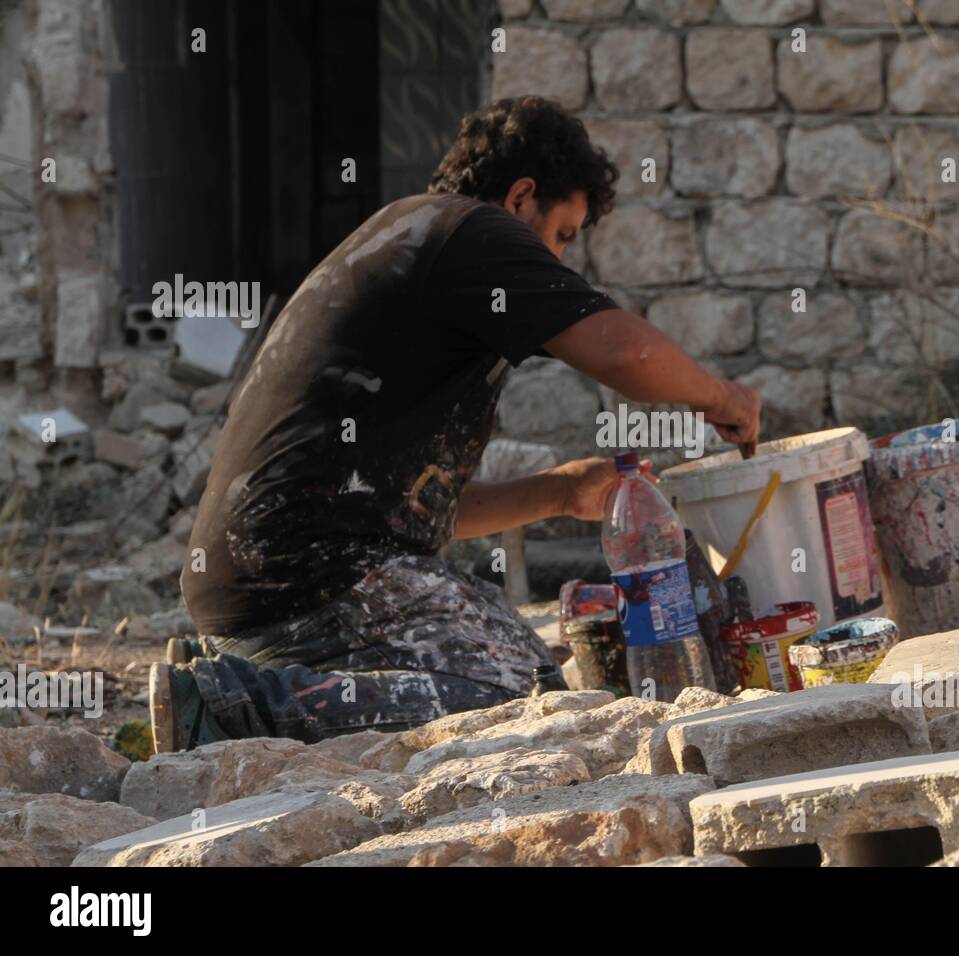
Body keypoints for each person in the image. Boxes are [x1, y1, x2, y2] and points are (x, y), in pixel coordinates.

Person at [149, 95, 761, 752]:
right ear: (522, 197)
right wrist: (721, 398)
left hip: (268, 580)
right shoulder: (468, 231)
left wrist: (557, 492)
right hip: (296, 576)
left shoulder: (422, 251)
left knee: (534, 673)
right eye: (561, 235)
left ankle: (262, 669)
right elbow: (626, 353)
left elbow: (413, 509)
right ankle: (234, 707)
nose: (557, 260)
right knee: (518, 703)